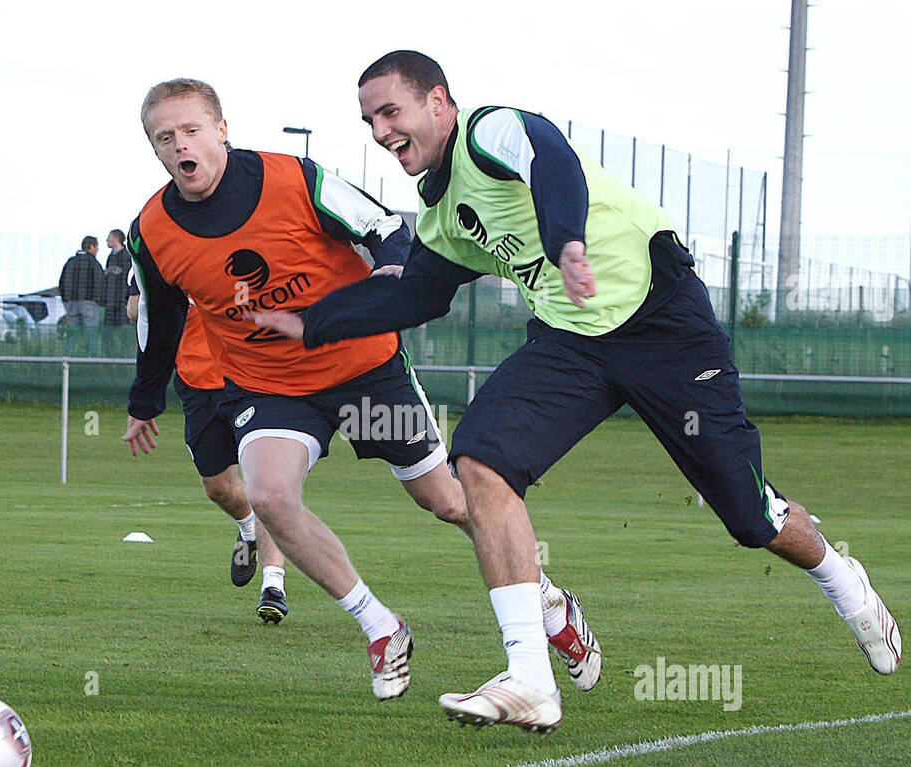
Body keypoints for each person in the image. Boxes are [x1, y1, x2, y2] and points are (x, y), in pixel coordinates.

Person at [251, 50, 901, 733]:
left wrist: (565, 242)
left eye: (391, 111)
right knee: (480, 460)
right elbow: (417, 294)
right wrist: (313, 322)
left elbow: (551, 159)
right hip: (571, 342)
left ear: (438, 103)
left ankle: (842, 580)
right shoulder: (440, 210)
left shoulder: (490, 130)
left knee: (748, 518)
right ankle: (530, 675)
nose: (381, 131)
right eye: (369, 120)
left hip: (661, 321)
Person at [123, 77, 599, 704]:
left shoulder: (293, 177)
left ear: (221, 129)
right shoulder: (151, 229)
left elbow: (381, 225)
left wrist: (395, 263)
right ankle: (382, 628)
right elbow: (161, 321)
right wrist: (143, 401)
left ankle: (547, 600)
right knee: (268, 496)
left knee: (450, 503)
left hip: (361, 371)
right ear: (155, 150)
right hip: (270, 387)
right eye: (165, 137)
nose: (180, 145)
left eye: (190, 130)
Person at [129, 273, 293, 621]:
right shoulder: (156, 251)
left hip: (254, 381)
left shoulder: (246, 249)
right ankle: (247, 530)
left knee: (266, 484)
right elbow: (135, 311)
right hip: (198, 385)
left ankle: (273, 585)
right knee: (217, 487)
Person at [59, 236, 103, 356]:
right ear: (91, 246)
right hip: (89, 303)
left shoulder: (71, 262)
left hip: (71, 303)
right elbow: (99, 282)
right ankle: (91, 359)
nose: (98, 249)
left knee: (72, 333)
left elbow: (62, 282)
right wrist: (96, 300)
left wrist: (66, 300)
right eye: (97, 246)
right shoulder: (94, 263)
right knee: (91, 333)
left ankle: (68, 359)